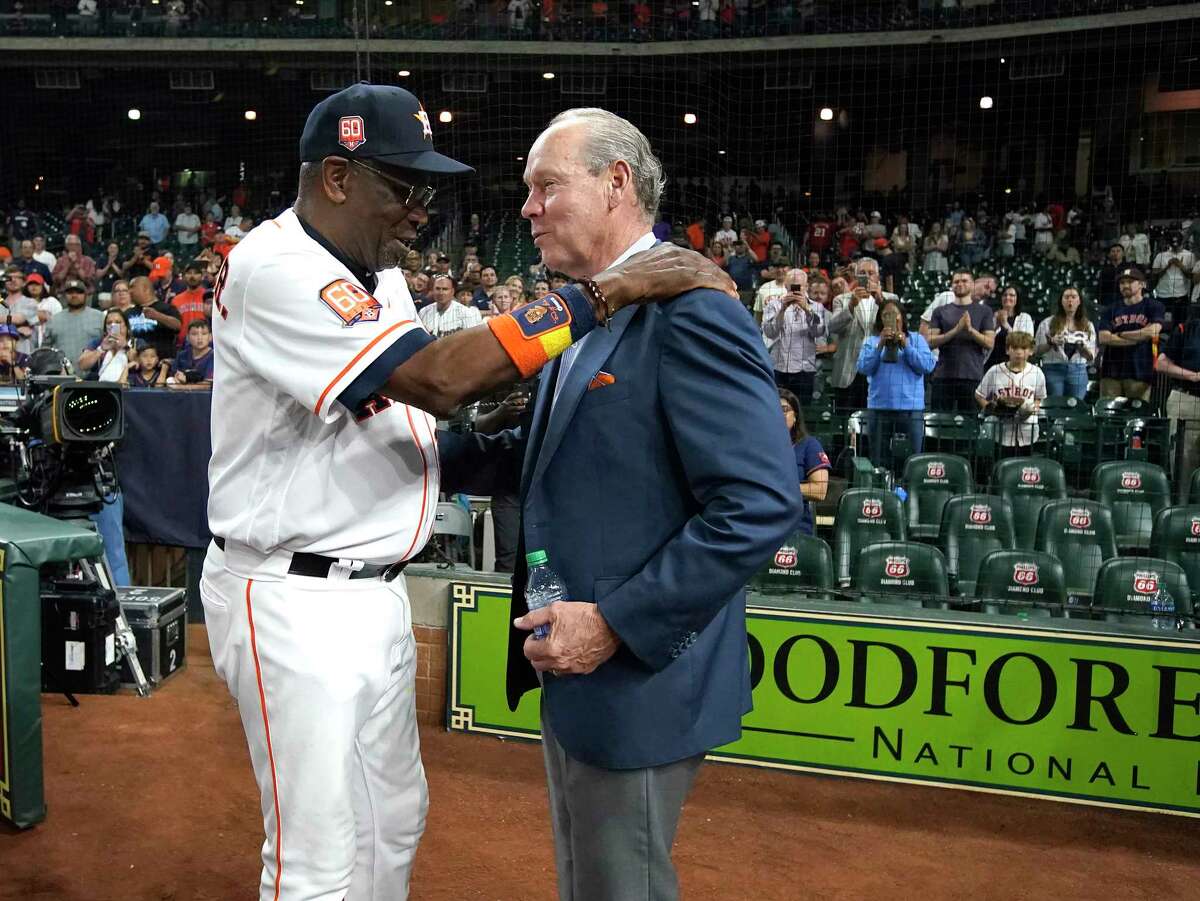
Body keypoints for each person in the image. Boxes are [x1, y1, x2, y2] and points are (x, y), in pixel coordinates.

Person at [199, 84, 732, 901]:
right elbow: (438, 380)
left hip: (373, 587)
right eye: (404, 187)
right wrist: (604, 293)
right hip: (289, 592)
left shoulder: (379, 274)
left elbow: (409, 426)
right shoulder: (274, 265)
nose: (422, 209)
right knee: (315, 854)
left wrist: (533, 419)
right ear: (338, 178)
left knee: (397, 815)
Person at [439, 106, 799, 901]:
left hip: (635, 672)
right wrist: (419, 454)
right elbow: (549, 458)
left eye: (545, 187)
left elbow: (760, 501)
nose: (527, 208)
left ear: (615, 183)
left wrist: (613, 624)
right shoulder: (594, 308)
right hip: (577, 668)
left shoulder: (693, 307)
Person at [857, 299, 936, 475]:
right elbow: (863, 368)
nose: (890, 318)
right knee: (878, 461)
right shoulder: (872, 341)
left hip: (911, 410)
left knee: (913, 461)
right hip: (879, 409)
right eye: (886, 315)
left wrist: (906, 346)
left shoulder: (916, 339)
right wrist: (879, 347)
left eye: (894, 314)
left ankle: (909, 492)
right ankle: (880, 492)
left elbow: (927, 366)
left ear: (902, 317)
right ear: (880, 319)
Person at [827, 258, 896, 412]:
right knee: (845, 421)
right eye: (862, 273)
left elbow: (896, 329)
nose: (867, 276)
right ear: (856, 277)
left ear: (878, 276)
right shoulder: (842, 299)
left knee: (875, 422)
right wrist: (851, 306)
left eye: (871, 273)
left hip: (879, 367)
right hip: (849, 369)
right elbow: (832, 327)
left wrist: (880, 301)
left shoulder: (891, 299)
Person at [927, 269, 995, 412]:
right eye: (956, 281)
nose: (960, 284)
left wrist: (970, 330)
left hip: (972, 376)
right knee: (940, 424)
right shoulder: (940, 311)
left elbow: (989, 342)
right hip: (943, 376)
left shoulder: (985, 311)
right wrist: (956, 330)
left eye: (964, 281)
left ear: (972, 284)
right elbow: (930, 341)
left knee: (971, 426)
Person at [761, 267, 828, 404]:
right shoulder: (773, 305)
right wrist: (782, 310)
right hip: (779, 367)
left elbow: (819, 331)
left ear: (806, 286)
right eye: (792, 287)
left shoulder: (816, 307)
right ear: (785, 286)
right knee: (778, 409)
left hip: (805, 369)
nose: (795, 291)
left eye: (799, 287)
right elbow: (769, 332)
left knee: (802, 411)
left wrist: (807, 309)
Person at [1097, 265, 1163, 400]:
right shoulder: (1110, 309)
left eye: (1130, 281)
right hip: (1111, 370)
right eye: (1122, 282)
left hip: (1140, 369)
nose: (1125, 285)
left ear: (1142, 284)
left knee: (1136, 416)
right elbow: (1103, 338)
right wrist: (1139, 337)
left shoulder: (1154, 306)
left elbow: (1153, 331)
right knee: (1108, 415)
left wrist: (1120, 334)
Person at [976, 330, 1046, 454]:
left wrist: (1031, 409)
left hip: (1027, 430)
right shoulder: (995, 371)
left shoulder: (1037, 373)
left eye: (1023, 348)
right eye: (1014, 347)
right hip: (1001, 430)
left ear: (1031, 351)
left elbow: (1039, 397)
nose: (1019, 352)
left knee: (1024, 467)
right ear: (1008, 350)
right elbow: (979, 395)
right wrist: (992, 409)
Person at [1155, 312, 1200, 497]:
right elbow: (1161, 364)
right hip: (1187, 400)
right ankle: (1182, 514)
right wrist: (1193, 376)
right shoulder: (1187, 328)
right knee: (1183, 465)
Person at [779, 387, 830, 536]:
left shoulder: (809, 445)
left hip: (796, 527)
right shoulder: (757, 444)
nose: (778, 414)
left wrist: (780, 488)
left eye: (784, 409)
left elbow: (820, 491)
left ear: (795, 416)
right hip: (760, 525)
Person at [1035, 286, 1095, 400]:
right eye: (1066, 297)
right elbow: (1036, 351)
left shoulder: (1088, 325)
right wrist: (1051, 343)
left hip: (1078, 370)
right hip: (1053, 368)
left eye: (1073, 297)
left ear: (1079, 301)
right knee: (1055, 406)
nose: (1070, 300)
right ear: (1061, 301)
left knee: (1075, 406)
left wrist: (1082, 348)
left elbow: (1091, 357)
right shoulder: (1047, 323)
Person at [44, 279, 105, 366]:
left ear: (86, 295)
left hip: (93, 376)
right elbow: (45, 350)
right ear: (64, 296)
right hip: (62, 375)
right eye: (70, 292)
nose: (74, 295)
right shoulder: (54, 320)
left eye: (79, 292)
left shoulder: (100, 317)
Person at [126, 275, 181, 360]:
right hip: (136, 362)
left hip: (162, 361)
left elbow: (177, 325)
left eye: (132, 287)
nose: (129, 291)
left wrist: (158, 316)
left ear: (146, 289)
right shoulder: (128, 313)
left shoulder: (166, 308)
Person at [984, 284, 1034, 371]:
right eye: (1005, 295)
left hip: (1014, 365)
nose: (1007, 297)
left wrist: (1006, 325)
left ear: (1017, 299)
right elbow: (986, 340)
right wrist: (995, 327)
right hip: (992, 364)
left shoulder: (1025, 318)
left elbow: (1025, 342)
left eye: (1012, 295)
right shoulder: (993, 317)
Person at [78, 308, 134, 383]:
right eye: (109, 323)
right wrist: (101, 349)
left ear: (126, 327)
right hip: (101, 387)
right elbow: (82, 365)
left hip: (129, 386)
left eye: (118, 322)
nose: (113, 325)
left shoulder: (136, 342)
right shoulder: (98, 343)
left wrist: (125, 346)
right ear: (105, 328)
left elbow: (142, 361)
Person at [167, 318, 214, 384]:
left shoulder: (214, 357)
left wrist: (182, 386)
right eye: (194, 334)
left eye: (204, 334)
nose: (199, 338)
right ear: (188, 337)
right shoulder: (181, 356)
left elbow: (208, 384)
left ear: (210, 337)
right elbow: (173, 378)